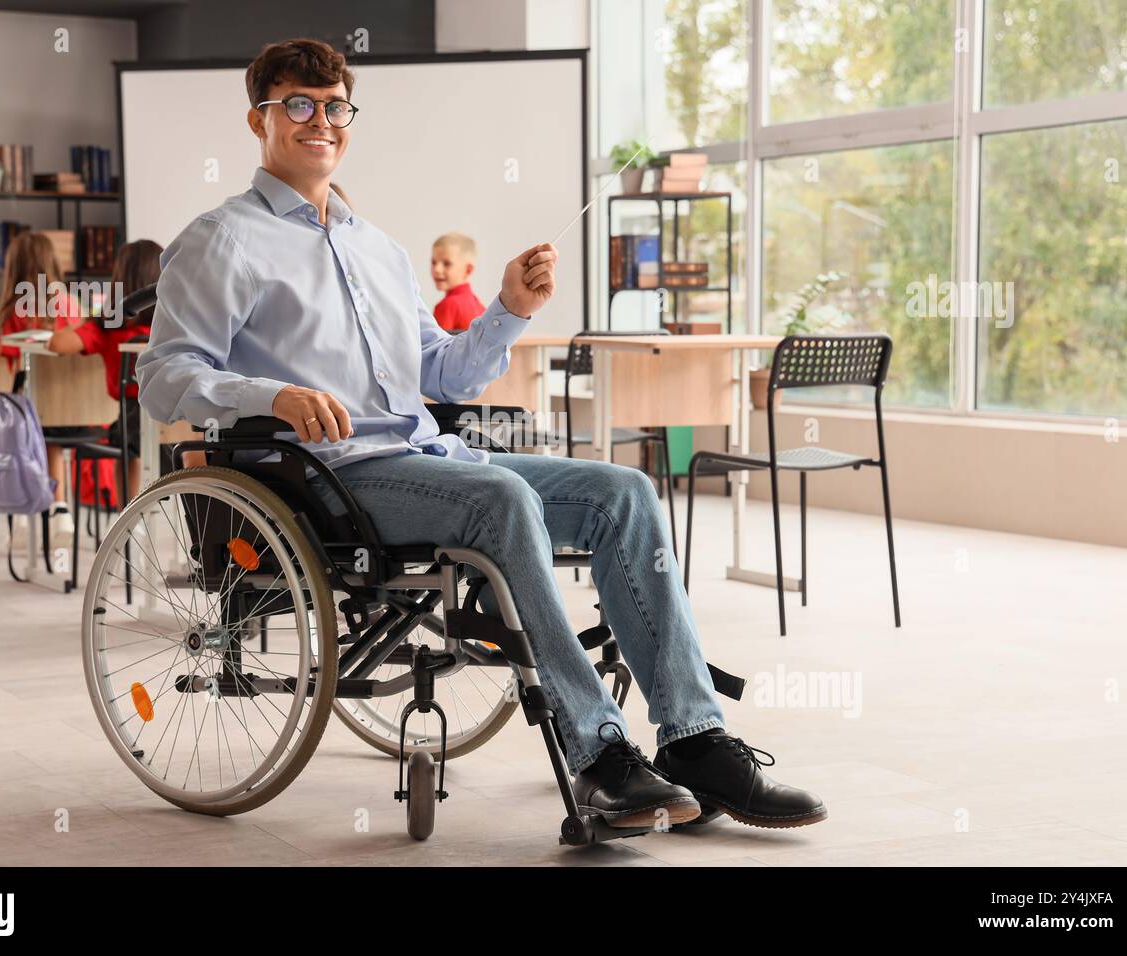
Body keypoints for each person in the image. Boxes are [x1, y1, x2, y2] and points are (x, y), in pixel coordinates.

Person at [137, 37, 826, 833]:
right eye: (297, 103)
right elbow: (165, 376)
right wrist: (274, 395)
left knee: (625, 492)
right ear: (259, 118)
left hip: (425, 459)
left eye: (334, 106)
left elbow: (446, 373)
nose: (319, 120)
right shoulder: (222, 239)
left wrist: (509, 310)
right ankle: (600, 754)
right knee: (499, 496)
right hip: (327, 479)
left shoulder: (377, 249)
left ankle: (694, 740)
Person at [48, 239, 163, 501]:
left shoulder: (108, 328)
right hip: (174, 420)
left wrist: (88, 319)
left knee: (125, 444)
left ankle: (128, 514)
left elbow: (57, 343)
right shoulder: (170, 327)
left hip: (131, 424)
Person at [0, 231, 84, 539]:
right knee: (48, 425)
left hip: (37, 415)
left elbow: (11, 362)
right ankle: (60, 507)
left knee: (23, 421)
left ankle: (24, 506)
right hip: (81, 409)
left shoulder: (13, 312)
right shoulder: (70, 304)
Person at [431, 232, 484, 332]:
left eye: (447, 264)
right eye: (433, 262)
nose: (436, 269)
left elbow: (435, 341)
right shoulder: (480, 306)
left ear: (468, 270)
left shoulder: (447, 305)